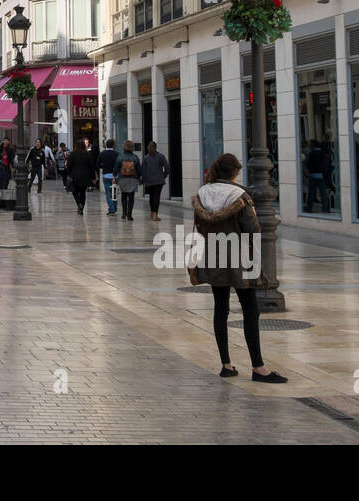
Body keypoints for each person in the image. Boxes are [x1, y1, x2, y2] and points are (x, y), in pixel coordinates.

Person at [190, 153, 286, 383]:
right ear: (234, 173)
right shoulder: (240, 196)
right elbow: (253, 229)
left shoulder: (202, 194)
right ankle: (258, 368)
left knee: (220, 308)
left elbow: (200, 226)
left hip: (213, 256)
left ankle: (226, 365)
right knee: (250, 310)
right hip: (239, 258)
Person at [141, 141, 170, 221]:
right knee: (157, 197)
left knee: (151, 197)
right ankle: (155, 214)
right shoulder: (161, 156)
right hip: (159, 181)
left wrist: (143, 180)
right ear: (156, 147)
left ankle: (152, 212)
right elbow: (167, 168)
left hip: (149, 180)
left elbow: (143, 171)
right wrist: (163, 176)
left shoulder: (146, 158)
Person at [66, 140, 97, 215]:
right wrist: (93, 177)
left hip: (75, 176)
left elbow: (69, 166)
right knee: (83, 193)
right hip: (85, 177)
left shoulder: (72, 154)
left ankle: (79, 204)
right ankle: (81, 208)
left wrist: (69, 174)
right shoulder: (87, 154)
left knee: (75, 191)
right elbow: (91, 167)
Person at [117, 140, 141, 222]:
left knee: (124, 196)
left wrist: (114, 176)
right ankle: (129, 215)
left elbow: (116, 167)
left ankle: (124, 213)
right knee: (131, 197)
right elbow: (139, 169)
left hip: (122, 178)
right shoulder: (135, 157)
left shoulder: (120, 156)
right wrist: (139, 177)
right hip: (133, 178)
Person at [304, 140, 329, 213]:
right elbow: (326, 165)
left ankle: (309, 209)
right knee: (323, 194)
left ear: (313, 146)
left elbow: (309, 164)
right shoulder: (323, 153)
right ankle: (325, 209)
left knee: (311, 194)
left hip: (313, 175)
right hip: (321, 175)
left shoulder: (312, 153)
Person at [97, 139, 120, 216]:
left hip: (106, 175)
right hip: (115, 176)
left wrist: (103, 166)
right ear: (113, 145)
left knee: (108, 193)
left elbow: (97, 164)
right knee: (114, 192)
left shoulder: (102, 153)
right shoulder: (117, 154)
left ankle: (111, 209)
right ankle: (115, 207)